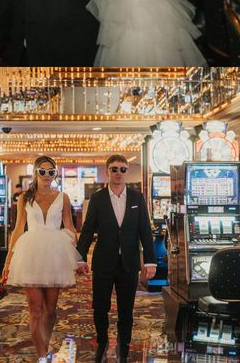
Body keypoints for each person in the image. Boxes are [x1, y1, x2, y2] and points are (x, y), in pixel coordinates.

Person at [76, 155, 157, 362]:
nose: (118, 173)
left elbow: (145, 231)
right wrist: (80, 258)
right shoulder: (98, 198)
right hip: (104, 261)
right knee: (100, 306)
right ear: (107, 171)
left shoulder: (137, 198)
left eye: (122, 169)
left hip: (129, 263)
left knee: (126, 308)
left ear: (126, 172)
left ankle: (124, 344)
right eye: (114, 169)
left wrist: (150, 261)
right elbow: (87, 230)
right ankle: (102, 340)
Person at [2, 156, 80, 363]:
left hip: (55, 253)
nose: (46, 176)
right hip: (30, 252)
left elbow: (69, 227)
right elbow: (18, 229)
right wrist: (8, 261)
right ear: (35, 172)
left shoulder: (62, 197)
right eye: (42, 171)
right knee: (35, 309)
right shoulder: (24, 198)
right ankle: (42, 355)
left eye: (51, 172)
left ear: (55, 174)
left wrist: (77, 257)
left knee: (51, 309)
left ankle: (44, 347)